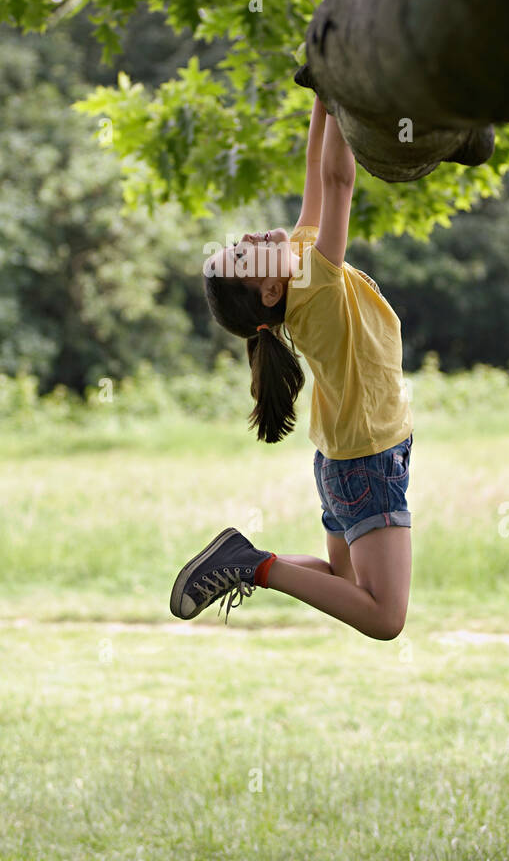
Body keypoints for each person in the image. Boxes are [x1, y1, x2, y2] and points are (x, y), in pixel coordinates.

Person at [169, 95, 413, 641]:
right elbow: (336, 182)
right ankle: (256, 566)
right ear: (271, 289)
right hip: (367, 462)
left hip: (344, 460)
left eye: (237, 245)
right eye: (242, 257)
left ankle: (248, 560)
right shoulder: (314, 289)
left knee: (342, 581)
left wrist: (324, 100)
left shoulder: (298, 262)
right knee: (384, 617)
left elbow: (312, 171)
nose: (250, 239)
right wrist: (351, 97)